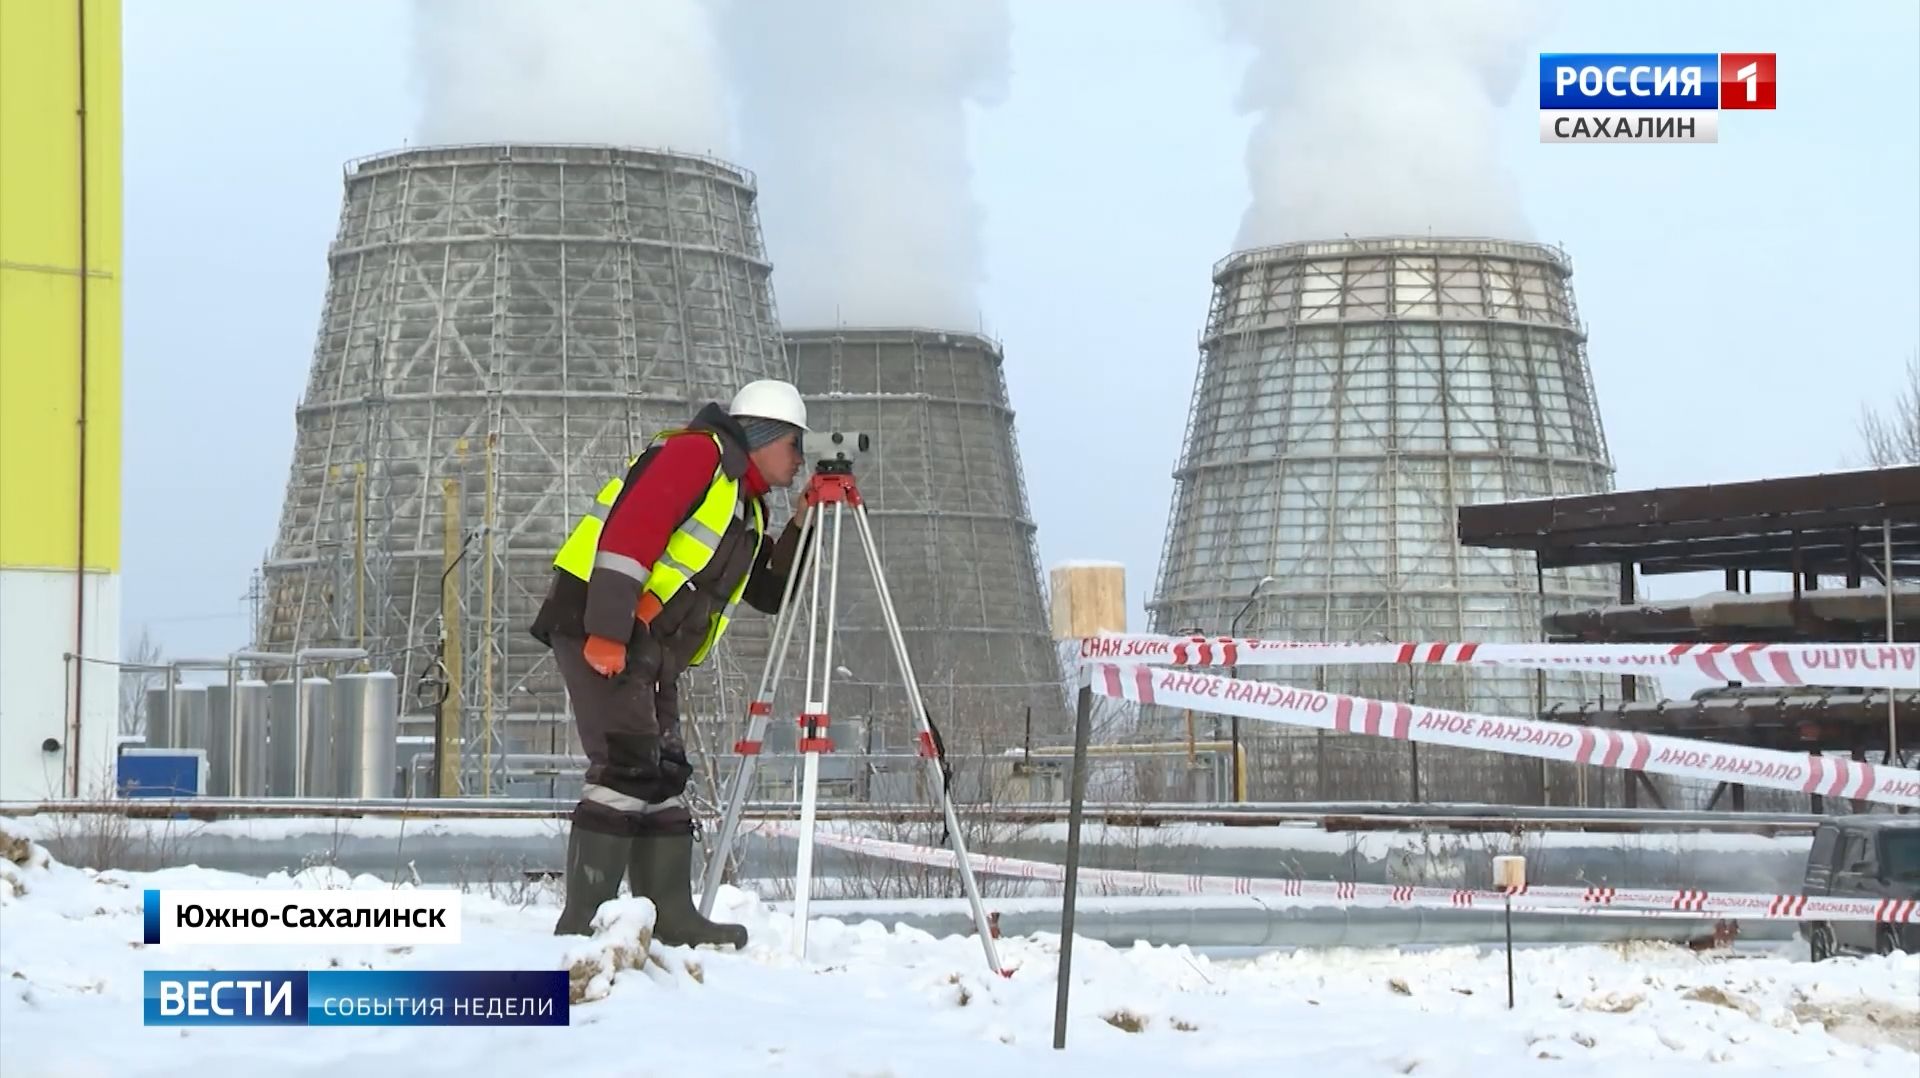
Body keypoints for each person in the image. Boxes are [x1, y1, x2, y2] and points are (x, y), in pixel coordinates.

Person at [531, 379, 811, 945]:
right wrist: (607, 631)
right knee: (626, 764)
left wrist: (805, 521)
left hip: (650, 647)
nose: (801, 460)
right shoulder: (695, 455)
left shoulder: (746, 506)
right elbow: (631, 533)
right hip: (601, 620)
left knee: (663, 770)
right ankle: (584, 925)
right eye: (794, 445)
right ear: (763, 435)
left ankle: (671, 916)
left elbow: (770, 595)